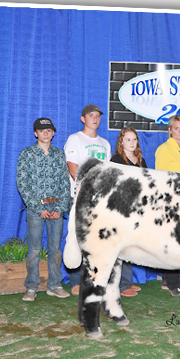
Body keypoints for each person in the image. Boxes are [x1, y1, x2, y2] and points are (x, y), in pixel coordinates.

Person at [16, 117, 71, 302]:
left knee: (55, 249)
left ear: (53, 133)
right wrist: (38, 208)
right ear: (36, 133)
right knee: (34, 250)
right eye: (41, 130)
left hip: (56, 207)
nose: (45, 133)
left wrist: (61, 207)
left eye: (49, 130)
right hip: (35, 208)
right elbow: (22, 184)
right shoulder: (27, 154)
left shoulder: (59, 155)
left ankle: (54, 285)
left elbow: (65, 183)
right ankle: (31, 287)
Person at [64, 104, 112, 295]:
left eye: (97, 116)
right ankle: (75, 281)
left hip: (98, 199)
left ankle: (93, 279)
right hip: (80, 196)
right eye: (91, 115)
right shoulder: (75, 139)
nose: (95, 118)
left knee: (95, 242)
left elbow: (106, 171)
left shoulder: (105, 143)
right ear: (83, 119)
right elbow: (73, 167)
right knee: (77, 239)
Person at [154, 114, 180, 296]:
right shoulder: (163, 150)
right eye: (176, 128)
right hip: (170, 201)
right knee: (171, 242)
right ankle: (172, 283)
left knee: (179, 241)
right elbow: (162, 178)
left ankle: (167, 279)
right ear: (169, 130)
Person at [110, 126, 148, 298]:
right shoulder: (117, 160)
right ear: (121, 142)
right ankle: (122, 284)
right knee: (121, 246)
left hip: (138, 209)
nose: (132, 143)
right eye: (128, 140)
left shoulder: (141, 160)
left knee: (131, 246)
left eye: (134, 140)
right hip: (122, 208)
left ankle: (127, 281)